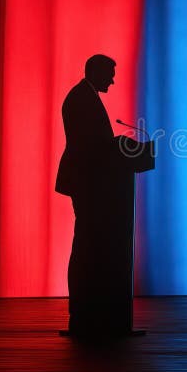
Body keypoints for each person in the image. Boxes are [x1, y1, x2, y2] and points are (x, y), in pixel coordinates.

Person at [55, 54, 125, 336]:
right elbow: (90, 146)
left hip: (91, 182)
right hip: (88, 183)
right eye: (109, 73)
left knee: (86, 243)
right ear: (95, 71)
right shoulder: (81, 99)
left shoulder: (85, 95)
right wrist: (115, 147)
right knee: (85, 245)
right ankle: (82, 310)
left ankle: (88, 309)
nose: (113, 79)